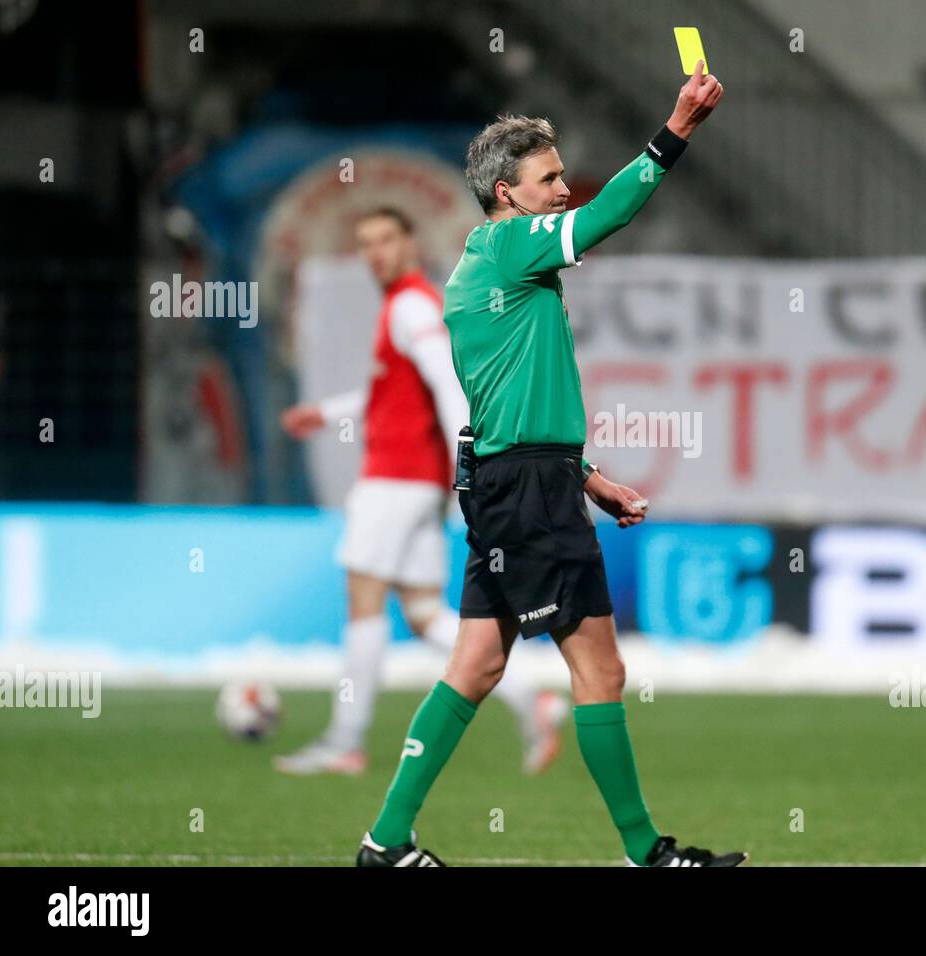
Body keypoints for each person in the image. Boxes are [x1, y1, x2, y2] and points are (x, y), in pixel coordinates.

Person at [357, 62, 747, 867]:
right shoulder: (509, 247)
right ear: (507, 192)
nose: (565, 189)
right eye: (550, 178)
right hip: (526, 493)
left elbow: (512, 406)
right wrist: (678, 131)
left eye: (562, 175)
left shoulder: (487, 264)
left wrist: (587, 475)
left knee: (476, 662)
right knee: (600, 672)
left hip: (513, 481)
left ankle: (386, 841)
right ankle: (649, 854)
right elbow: (611, 214)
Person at [274, 206, 567, 778]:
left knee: (362, 602)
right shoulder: (411, 305)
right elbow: (394, 394)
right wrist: (328, 411)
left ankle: (345, 741)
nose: (375, 252)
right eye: (365, 243)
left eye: (385, 239)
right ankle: (531, 696)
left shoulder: (410, 304)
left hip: (396, 479)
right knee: (425, 612)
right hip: (417, 483)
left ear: (410, 242)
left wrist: (471, 457)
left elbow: (445, 381)